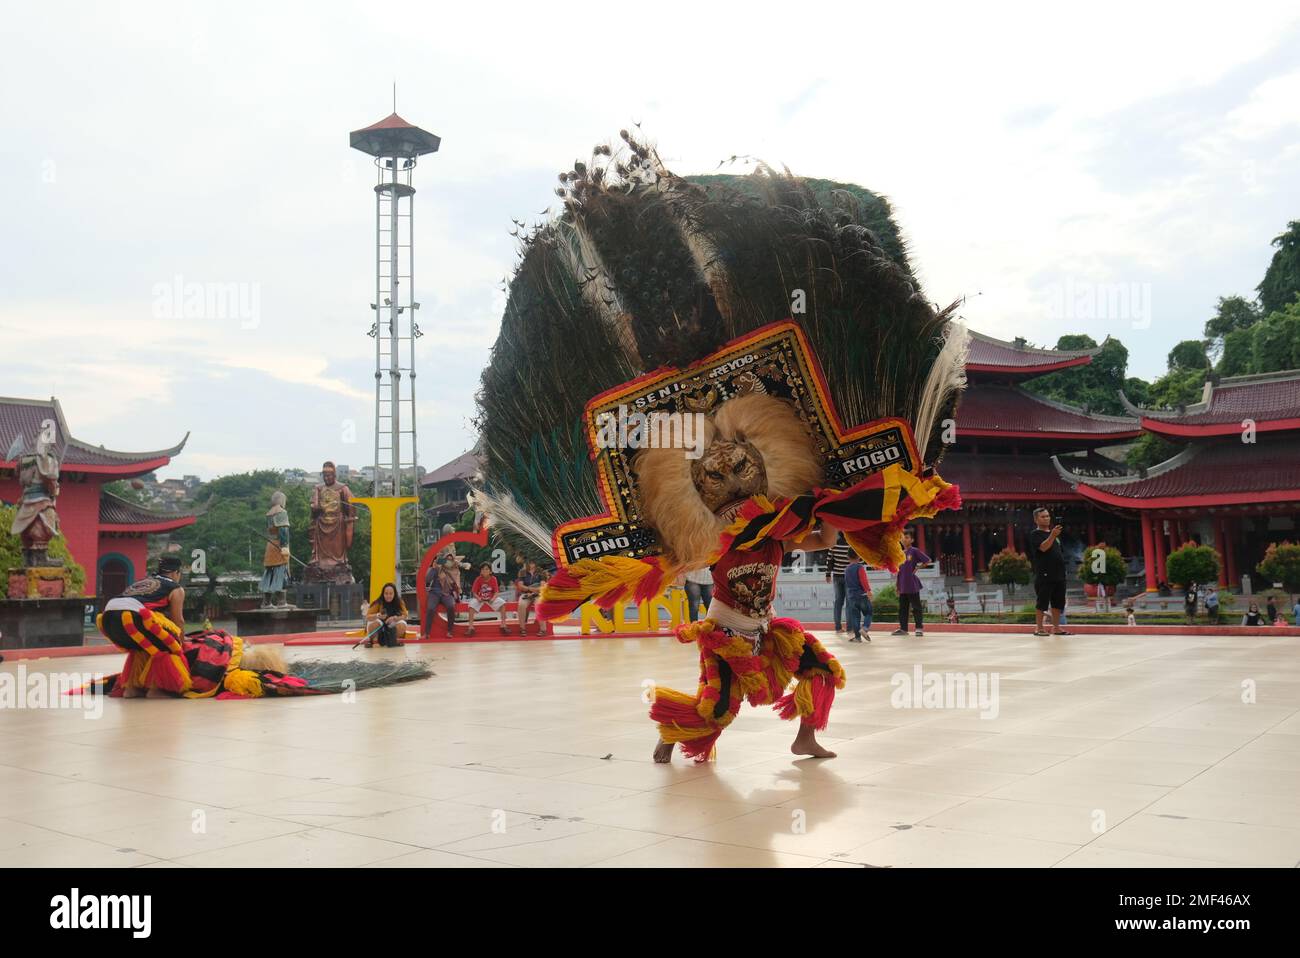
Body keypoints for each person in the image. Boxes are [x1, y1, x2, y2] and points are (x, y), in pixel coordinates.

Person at [96, 555, 188, 697]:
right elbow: (178, 621)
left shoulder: (144, 581)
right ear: (176, 573)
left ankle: (132, 689)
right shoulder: (175, 588)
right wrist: (181, 642)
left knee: (142, 648)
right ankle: (157, 689)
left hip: (107, 618)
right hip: (131, 617)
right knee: (168, 646)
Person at [1028, 508, 1070, 637]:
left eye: (1047, 516)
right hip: (1045, 573)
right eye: (1042, 517)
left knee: (1058, 602)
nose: (1046, 518)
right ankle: (1039, 628)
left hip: (1059, 573)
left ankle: (1056, 627)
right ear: (1036, 519)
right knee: (1043, 601)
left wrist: (1053, 535)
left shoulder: (1055, 535)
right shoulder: (1035, 534)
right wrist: (1052, 535)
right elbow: (1043, 548)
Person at [890, 528, 930, 637]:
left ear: (912, 540)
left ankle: (919, 628)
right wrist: (897, 586)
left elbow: (927, 560)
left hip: (912, 584)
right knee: (902, 609)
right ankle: (903, 629)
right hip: (902, 585)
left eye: (907, 538)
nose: (904, 540)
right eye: (903, 538)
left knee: (916, 607)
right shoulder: (900, 553)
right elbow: (899, 571)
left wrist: (917, 567)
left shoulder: (914, 551)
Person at [260, 490, 291, 608]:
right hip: (279, 546)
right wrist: (284, 546)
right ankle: (281, 601)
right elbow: (283, 530)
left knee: (269, 573)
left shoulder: (269, 513)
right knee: (281, 572)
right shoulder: (282, 512)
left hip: (270, 545)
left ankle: (266, 602)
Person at [824, 532, 852, 636]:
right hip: (849, 577)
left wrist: (828, 574)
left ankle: (838, 628)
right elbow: (859, 560)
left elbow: (829, 560)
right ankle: (850, 628)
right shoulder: (852, 544)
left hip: (837, 576)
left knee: (838, 602)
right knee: (849, 603)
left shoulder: (834, 544)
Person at [424, 557, 461, 638]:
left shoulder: (452, 570)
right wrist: (433, 568)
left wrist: (457, 564)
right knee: (430, 608)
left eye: (450, 560)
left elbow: (456, 581)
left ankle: (449, 631)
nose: (448, 561)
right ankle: (426, 633)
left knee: (451, 606)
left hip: (447, 593)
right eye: (446, 559)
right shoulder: (436, 568)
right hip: (434, 592)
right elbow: (427, 580)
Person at [467, 562, 506, 636]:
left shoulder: (493, 579)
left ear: (490, 571)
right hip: (481, 598)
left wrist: (493, 599)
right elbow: (474, 592)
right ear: (481, 571)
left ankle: (503, 625)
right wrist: (478, 598)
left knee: (503, 603)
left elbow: (496, 592)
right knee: (471, 605)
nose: (485, 571)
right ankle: (470, 627)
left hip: (491, 598)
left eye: (487, 569)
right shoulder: (478, 579)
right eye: (483, 569)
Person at [365, 582, 408, 647]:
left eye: (391, 594)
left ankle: (393, 639)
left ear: (394, 594)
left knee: (402, 624)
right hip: (379, 628)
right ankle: (375, 640)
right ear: (383, 594)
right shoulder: (378, 602)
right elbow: (368, 617)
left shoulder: (399, 602)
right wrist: (377, 616)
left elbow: (405, 616)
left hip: (391, 628)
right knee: (375, 623)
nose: (388, 596)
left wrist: (395, 618)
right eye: (386, 593)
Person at [843, 556, 873, 642]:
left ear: (848, 558)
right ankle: (865, 628)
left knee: (855, 617)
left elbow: (847, 583)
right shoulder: (860, 567)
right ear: (859, 557)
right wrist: (868, 591)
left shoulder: (847, 569)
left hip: (852, 596)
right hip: (862, 595)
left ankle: (857, 637)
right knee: (868, 612)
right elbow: (863, 580)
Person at [513, 559, 546, 635]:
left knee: (539, 604)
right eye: (529, 562)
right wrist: (529, 589)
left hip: (538, 594)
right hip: (526, 594)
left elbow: (543, 586)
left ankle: (543, 629)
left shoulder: (541, 572)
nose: (531, 564)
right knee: (521, 605)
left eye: (532, 562)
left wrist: (533, 591)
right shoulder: (522, 572)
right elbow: (520, 586)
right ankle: (522, 629)